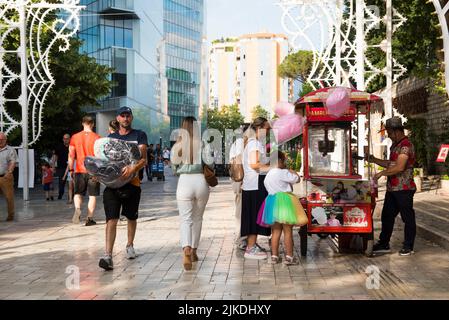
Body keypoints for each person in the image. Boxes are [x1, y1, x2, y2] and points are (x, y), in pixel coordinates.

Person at [98, 106, 148, 271]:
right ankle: (108, 255)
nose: (125, 118)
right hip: (113, 185)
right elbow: (105, 161)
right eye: (122, 116)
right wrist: (97, 173)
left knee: (131, 217)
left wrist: (133, 168)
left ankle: (129, 244)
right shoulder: (111, 138)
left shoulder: (139, 135)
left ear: (131, 118)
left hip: (132, 185)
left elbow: (143, 159)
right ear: (118, 119)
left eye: (128, 116)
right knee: (111, 219)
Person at [366, 117, 417, 256]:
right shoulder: (395, 145)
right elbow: (391, 164)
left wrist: (382, 173)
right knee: (387, 216)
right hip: (392, 188)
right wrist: (374, 159)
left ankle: (408, 246)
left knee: (408, 218)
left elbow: (400, 167)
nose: (388, 134)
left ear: (396, 131)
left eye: (388, 131)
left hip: (404, 189)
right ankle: (384, 243)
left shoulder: (406, 146)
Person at [172, 116, 210, 270]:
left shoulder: (177, 146)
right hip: (201, 181)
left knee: (185, 219)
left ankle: (186, 249)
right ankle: (194, 250)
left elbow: (174, 169)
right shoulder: (203, 144)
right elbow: (211, 163)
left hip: (184, 181)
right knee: (198, 218)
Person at [258, 151, 301, 265]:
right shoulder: (283, 172)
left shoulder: (268, 175)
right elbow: (297, 179)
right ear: (279, 161)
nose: (284, 163)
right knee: (288, 231)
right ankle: (289, 257)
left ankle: (274, 256)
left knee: (275, 231)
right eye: (284, 161)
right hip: (285, 202)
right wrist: (293, 172)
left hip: (272, 202)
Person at [241, 117, 272, 260]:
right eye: (267, 128)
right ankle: (250, 247)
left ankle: (252, 244)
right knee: (254, 215)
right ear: (259, 128)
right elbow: (255, 164)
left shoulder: (253, 143)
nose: (268, 131)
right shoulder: (254, 144)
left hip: (252, 184)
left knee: (254, 214)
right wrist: (273, 167)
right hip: (255, 184)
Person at [68, 116, 101, 226]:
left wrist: (71, 169)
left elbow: (71, 155)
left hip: (79, 170)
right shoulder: (97, 138)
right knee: (92, 195)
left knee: (78, 193)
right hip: (93, 171)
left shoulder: (74, 137)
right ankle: (89, 218)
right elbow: (99, 156)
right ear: (92, 124)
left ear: (82, 123)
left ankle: (77, 209)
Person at [229, 123, 250, 250]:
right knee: (241, 210)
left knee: (242, 209)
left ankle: (244, 238)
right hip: (241, 180)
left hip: (240, 180)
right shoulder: (241, 142)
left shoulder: (240, 142)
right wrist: (243, 180)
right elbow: (238, 160)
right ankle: (241, 239)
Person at [0, 132, 17, 221]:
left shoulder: (11, 150)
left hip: (5, 177)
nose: (0, 141)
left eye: (2, 139)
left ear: (6, 140)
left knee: (9, 197)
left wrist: (9, 171)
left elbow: (13, 161)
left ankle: (10, 216)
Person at [54, 134, 70, 200]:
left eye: (67, 138)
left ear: (69, 139)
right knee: (61, 182)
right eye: (64, 138)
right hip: (61, 167)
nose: (65, 140)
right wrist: (53, 166)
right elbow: (55, 156)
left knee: (71, 182)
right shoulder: (59, 147)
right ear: (63, 139)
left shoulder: (72, 146)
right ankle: (60, 193)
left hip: (70, 167)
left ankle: (71, 196)